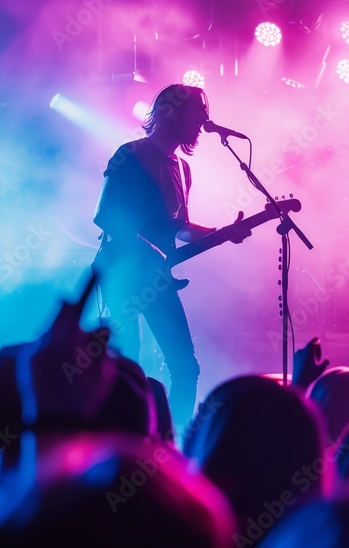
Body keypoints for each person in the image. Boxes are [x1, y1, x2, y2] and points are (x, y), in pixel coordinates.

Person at [92, 83, 249, 427]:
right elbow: (106, 217)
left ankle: (173, 443)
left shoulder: (182, 169)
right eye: (197, 112)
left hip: (156, 277)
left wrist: (223, 233)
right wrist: (148, 250)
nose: (204, 121)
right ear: (170, 112)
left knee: (185, 366)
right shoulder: (130, 154)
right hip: (120, 272)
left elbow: (176, 227)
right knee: (126, 365)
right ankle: (120, 441)